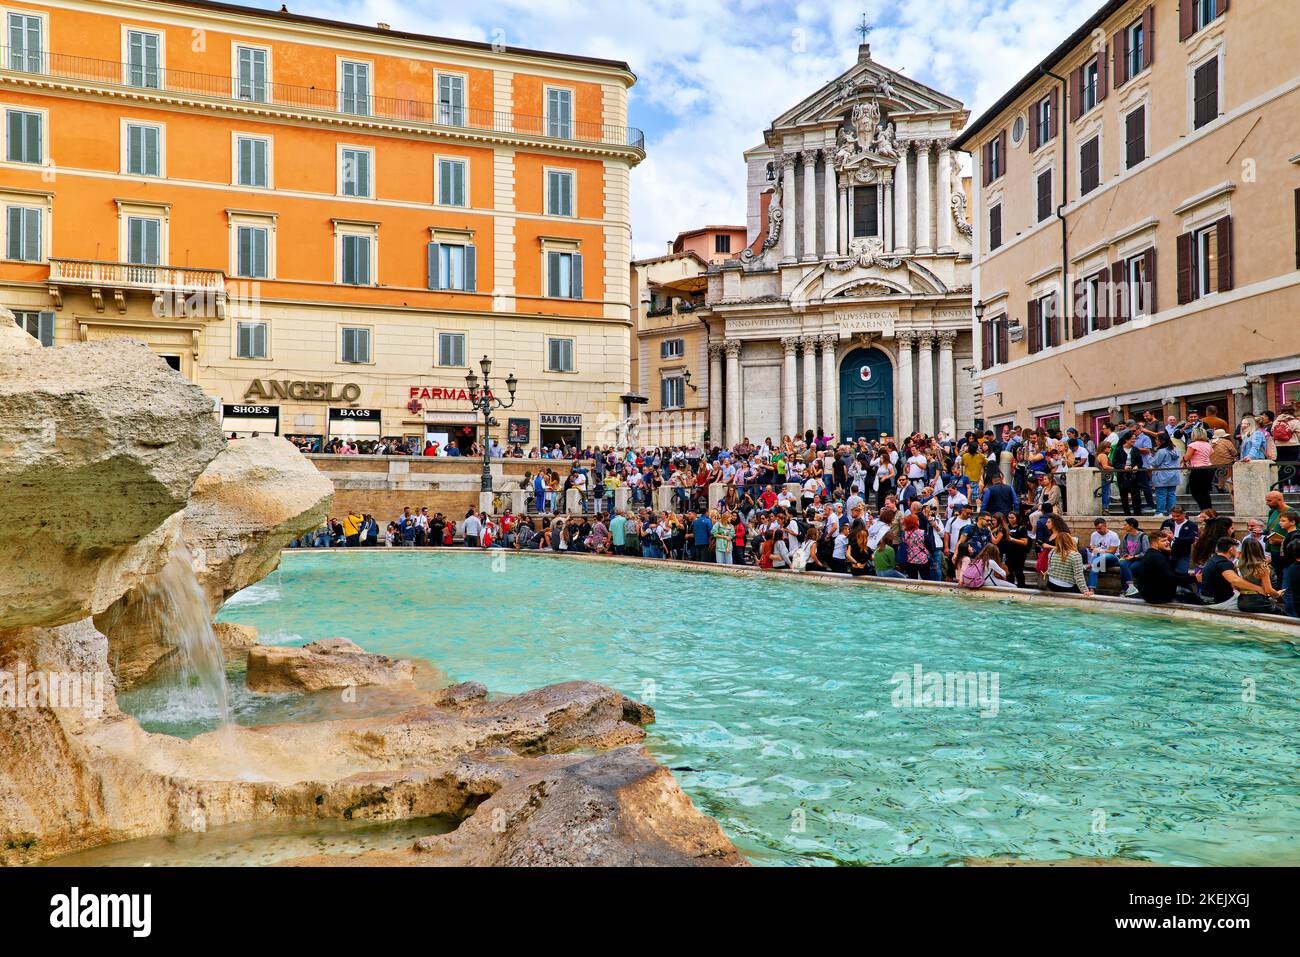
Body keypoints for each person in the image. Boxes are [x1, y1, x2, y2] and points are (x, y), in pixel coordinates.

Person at [1234, 538, 1285, 614]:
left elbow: (1235, 586)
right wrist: (1278, 594)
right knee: (1284, 615)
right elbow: (1268, 590)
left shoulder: (1237, 564)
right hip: (1259, 601)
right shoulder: (1262, 566)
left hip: (1242, 601)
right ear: (1259, 549)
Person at [1044, 521, 1092, 596]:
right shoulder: (1075, 555)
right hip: (1065, 586)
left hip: (1051, 584)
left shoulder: (1052, 551)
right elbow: (1078, 575)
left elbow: (1050, 567)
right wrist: (1085, 591)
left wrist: (1085, 567)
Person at [1086, 517, 1130, 592]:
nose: (1098, 531)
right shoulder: (1094, 535)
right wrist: (1092, 550)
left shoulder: (1113, 535)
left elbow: (1112, 551)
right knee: (1095, 565)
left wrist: (1097, 550)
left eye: (1100, 528)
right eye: (1096, 528)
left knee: (1101, 558)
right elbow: (1093, 551)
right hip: (1099, 559)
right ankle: (1091, 589)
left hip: (1113, 558)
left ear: (1105, 526)